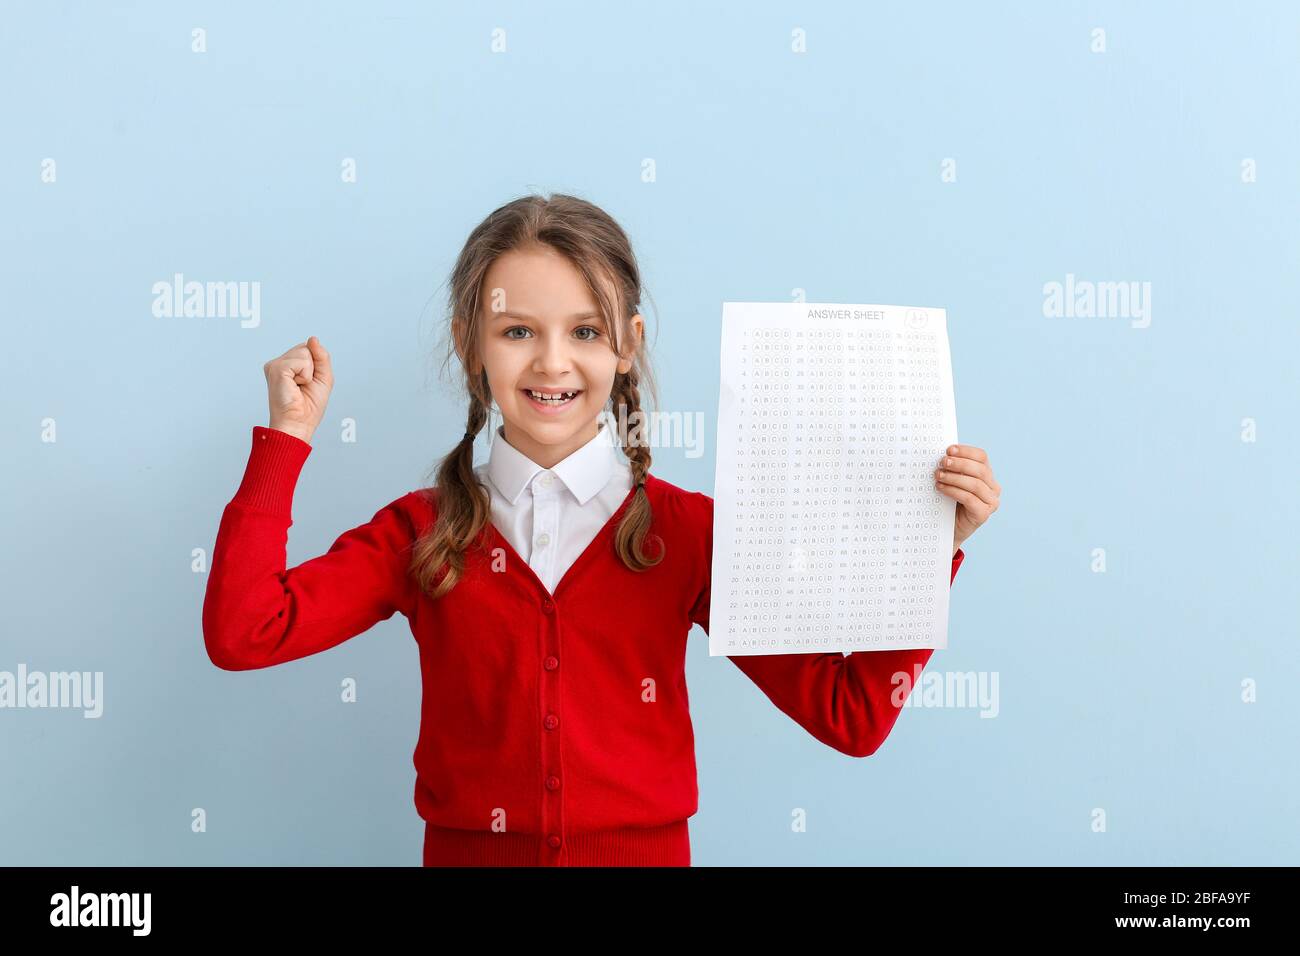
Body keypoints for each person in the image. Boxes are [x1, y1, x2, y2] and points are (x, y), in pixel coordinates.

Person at [201, 193, 1002, 867]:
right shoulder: (423, 531)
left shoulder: (689, 534)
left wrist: (931, 546)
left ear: (628, 347)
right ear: (469, 343)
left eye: (585, 331)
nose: (552, 363)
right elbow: (245, 631)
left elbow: (850, 712)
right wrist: (287, 442)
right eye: (518, 331)